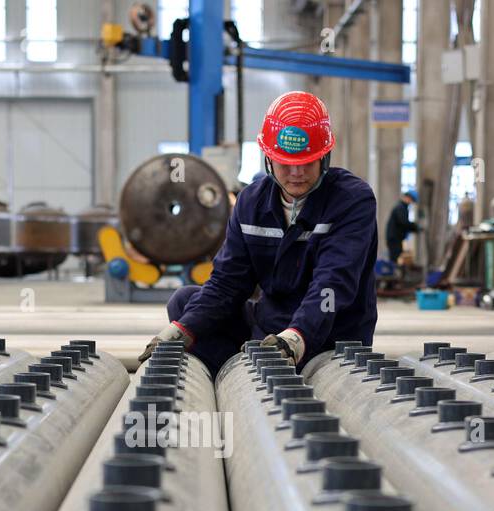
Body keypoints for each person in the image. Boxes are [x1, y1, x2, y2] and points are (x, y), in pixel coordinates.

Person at [138, 91, 378, 375]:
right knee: (184, 302)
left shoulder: (351, 201)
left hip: (330, 332)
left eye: (306, 162)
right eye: (285, 163)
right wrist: (181, 330)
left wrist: (296, 337)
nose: (296, 172)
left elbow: (333, 284)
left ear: (324, 157)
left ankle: (261, 367)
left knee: (314, 318)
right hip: (270, 328)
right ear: (268, 159)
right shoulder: (251, 202)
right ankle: (238, 372)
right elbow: (228, 283)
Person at [384, 190, 419, 262]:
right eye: (411, 200)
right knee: (395, 258)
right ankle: (394, 272)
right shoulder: (400, 208)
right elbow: (404, 222)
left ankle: (395, 271)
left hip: (396, 238)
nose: (411, 202)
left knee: (397, 257)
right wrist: (415, 227)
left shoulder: (403, 208)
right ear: (407, 197)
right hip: (394, 239)